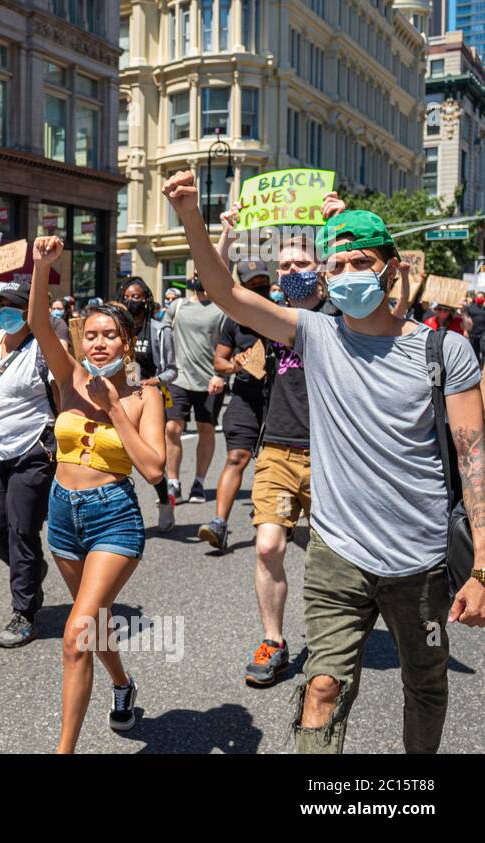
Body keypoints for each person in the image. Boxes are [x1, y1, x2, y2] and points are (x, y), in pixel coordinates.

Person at [165, 170, 485, 755]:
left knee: (426, 685)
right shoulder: (314, 334)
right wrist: (192, 217)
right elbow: (228, 294)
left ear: (389, 268)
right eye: (334, 266)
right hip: (338, 558)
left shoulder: (445, 350)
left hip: (422, 563)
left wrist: (483, 567)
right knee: (321, 687)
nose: (343, 275)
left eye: (357, 262)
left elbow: (474, 463)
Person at [29, 236, 166, 753]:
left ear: (127, 343)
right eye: (92, 336)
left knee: (74, 637)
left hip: (113, 519)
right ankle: (123, 684)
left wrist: (113, 409)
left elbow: (154, 468)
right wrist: (42, 267)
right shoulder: (70, 378)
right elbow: (40, 324)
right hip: (63, 515)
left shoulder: (143, 395)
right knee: (97, 623)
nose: (100, 343)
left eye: (110, 335)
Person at [0, 280, 67, 648]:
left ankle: (25, 611)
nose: (3, 312)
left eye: (12, 306)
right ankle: (32, 570)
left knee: (22, 531)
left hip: (31, 454)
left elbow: (62, 399)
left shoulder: (43, 350)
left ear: (27, 310)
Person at [198, 260, 274, 552]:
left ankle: (277, 517)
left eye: (262, 282)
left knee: (272, 461)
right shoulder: (233, 321)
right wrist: (234, 365)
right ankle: (219, 523)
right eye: (253, 284)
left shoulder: (284, 313)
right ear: (241, 287)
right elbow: (219, 361)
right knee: (236, 458)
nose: (259, 288)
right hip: (244, 396)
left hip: (279, 399)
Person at [120, 278, 177, 530]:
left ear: (147, 300)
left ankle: (165, 500)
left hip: (151, 400)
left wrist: (152, 381)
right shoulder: (120, 329)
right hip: (123, 398)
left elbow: (172, 371)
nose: (132, 301)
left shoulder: (160, 330)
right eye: (128, 296)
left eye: (137, 296)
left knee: (151, 460)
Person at [163, 275, 225, 504]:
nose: (199, 277)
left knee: (206, 429)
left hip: (209, 381)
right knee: (172, 428)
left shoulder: (221, 310)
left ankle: (198, 482)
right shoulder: (177, 306)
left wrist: (221, 374)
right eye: (196, 273)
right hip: (178, 378)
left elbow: (228, 343)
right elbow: (164, 337)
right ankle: (173, 483)